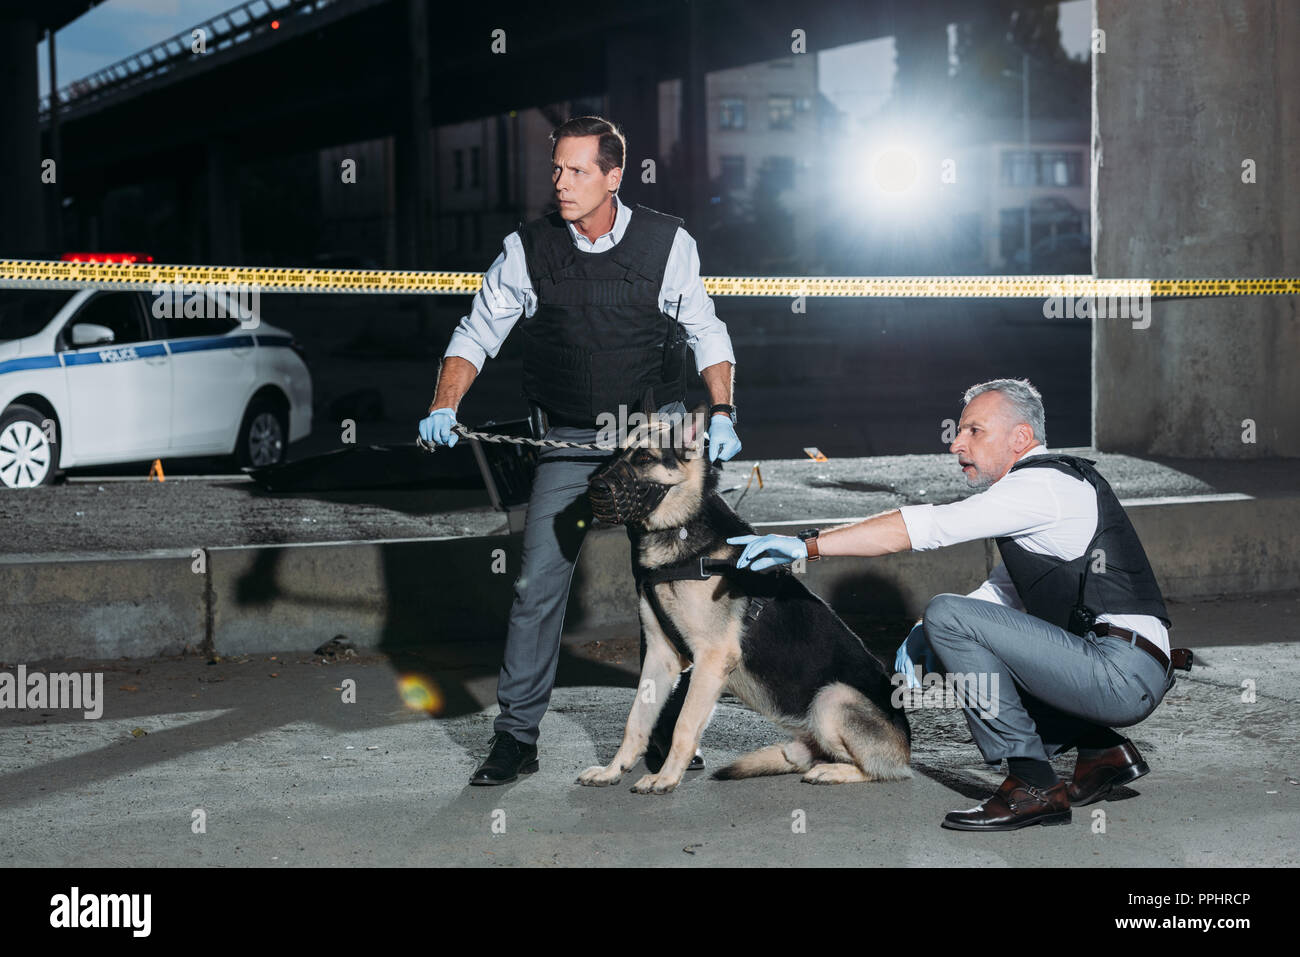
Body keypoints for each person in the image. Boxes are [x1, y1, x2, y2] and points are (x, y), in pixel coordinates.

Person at [419, 116, 742, 785]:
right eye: (556, 170)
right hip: (567, 437)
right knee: (537, 584)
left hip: (654, 439)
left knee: (671, 588)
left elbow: (705, 329)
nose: (561, 184)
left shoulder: (666, 242)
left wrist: (724, 411)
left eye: (577, 171)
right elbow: (476, 332)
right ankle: (516, 738)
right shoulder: (527, 249)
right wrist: (444, 404)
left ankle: (669, 734)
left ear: (614, 176)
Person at [730, 378, 1177, 831]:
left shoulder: (1041, 487)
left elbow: (931, 526)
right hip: (1119, 666)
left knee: (948, 616)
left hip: (1120, 673)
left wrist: (807, 545)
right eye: (959, 431)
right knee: (947, 627)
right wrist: (925, 633)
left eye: (974, 431)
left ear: (1020, 437)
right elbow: (1004, 593)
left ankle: (1033, 785)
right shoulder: (1044, 490)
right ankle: (1102, 751)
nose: (956, 444)